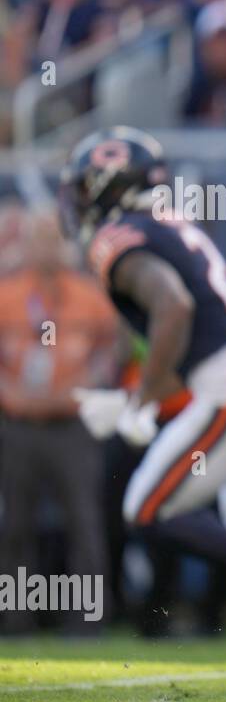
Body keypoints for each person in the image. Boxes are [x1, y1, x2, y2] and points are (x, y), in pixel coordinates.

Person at [59, 126, 226, 609]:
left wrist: (143, 401)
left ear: (105, 185)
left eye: (81, 187)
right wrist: (134, 400)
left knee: (145, 507)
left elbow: (173, 307)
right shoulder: (167, 221)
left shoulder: (116, 237)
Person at [0, 209, 118, 632]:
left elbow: (114, 346)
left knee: (83, 522)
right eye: (39, 238)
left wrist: (92, 379)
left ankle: (88, 621)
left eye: (54, 238)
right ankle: (13, 621)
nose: (47, 247)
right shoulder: (8, 294)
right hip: (20, 425)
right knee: (15, 525)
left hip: (72, 425)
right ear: (25, 244)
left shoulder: (88, 295)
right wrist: (7, 391)